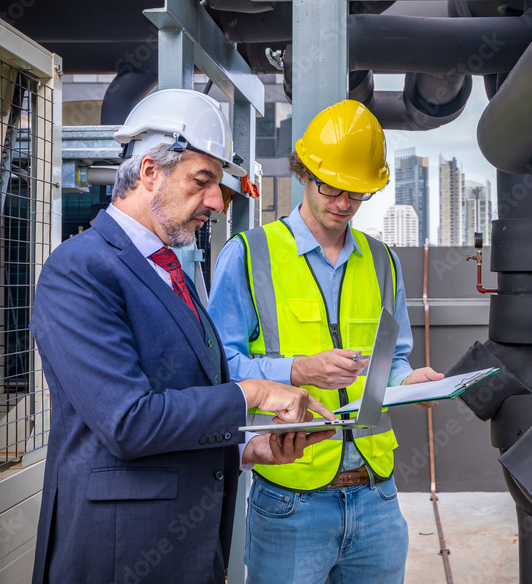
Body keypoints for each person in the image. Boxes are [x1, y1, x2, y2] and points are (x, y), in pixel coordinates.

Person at [29, 88, 335, 584]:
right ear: (150, 172)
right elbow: (128, 422)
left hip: (187, 552)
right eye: (203, 181)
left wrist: (243, 447)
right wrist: (252, 393)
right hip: (120, 554)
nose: (216, 201)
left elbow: (180, 399)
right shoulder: (80, 270)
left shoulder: (172, 269)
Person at [208, 99, 444, 583]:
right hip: (290, 501)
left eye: (356, 193)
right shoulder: (249, 255)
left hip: (377, 496)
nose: (342, 202)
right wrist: (297, 371)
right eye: (330, 186)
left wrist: (410, 381)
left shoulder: (384, 262)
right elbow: (217, 370)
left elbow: (393, 359)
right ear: (305, 171)